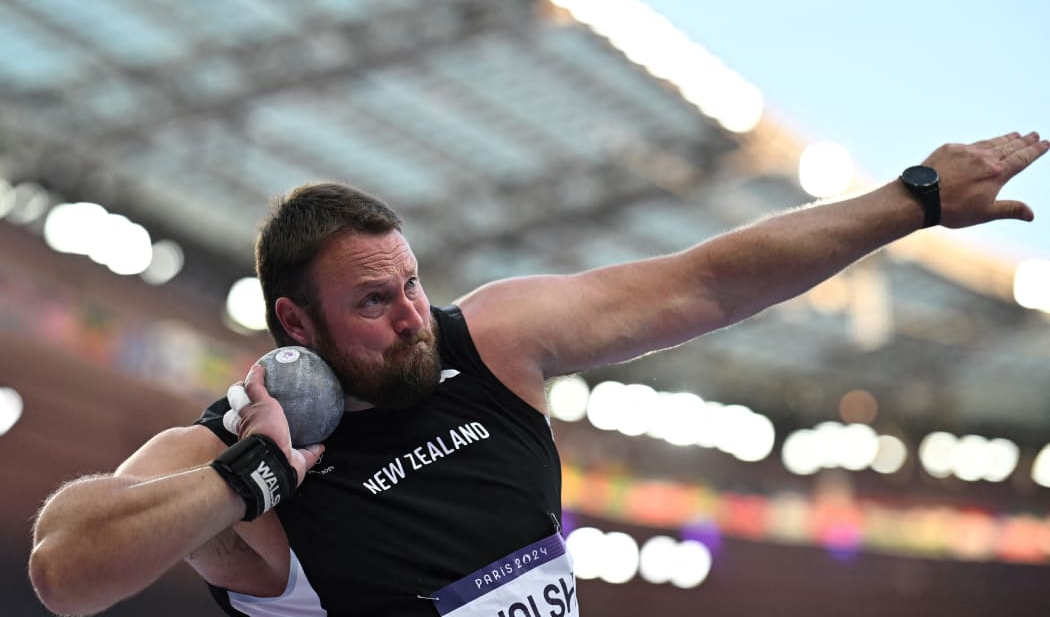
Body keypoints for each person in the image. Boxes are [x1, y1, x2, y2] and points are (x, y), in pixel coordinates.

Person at [28, 131, 1048, 616]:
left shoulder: (493, 340)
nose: (414, 315)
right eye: (374, 302)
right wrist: (246, 479)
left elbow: (704, 282)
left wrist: (910, 198)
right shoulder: (233, 456)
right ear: (296, 321)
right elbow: (62, 567)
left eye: (413, 282)